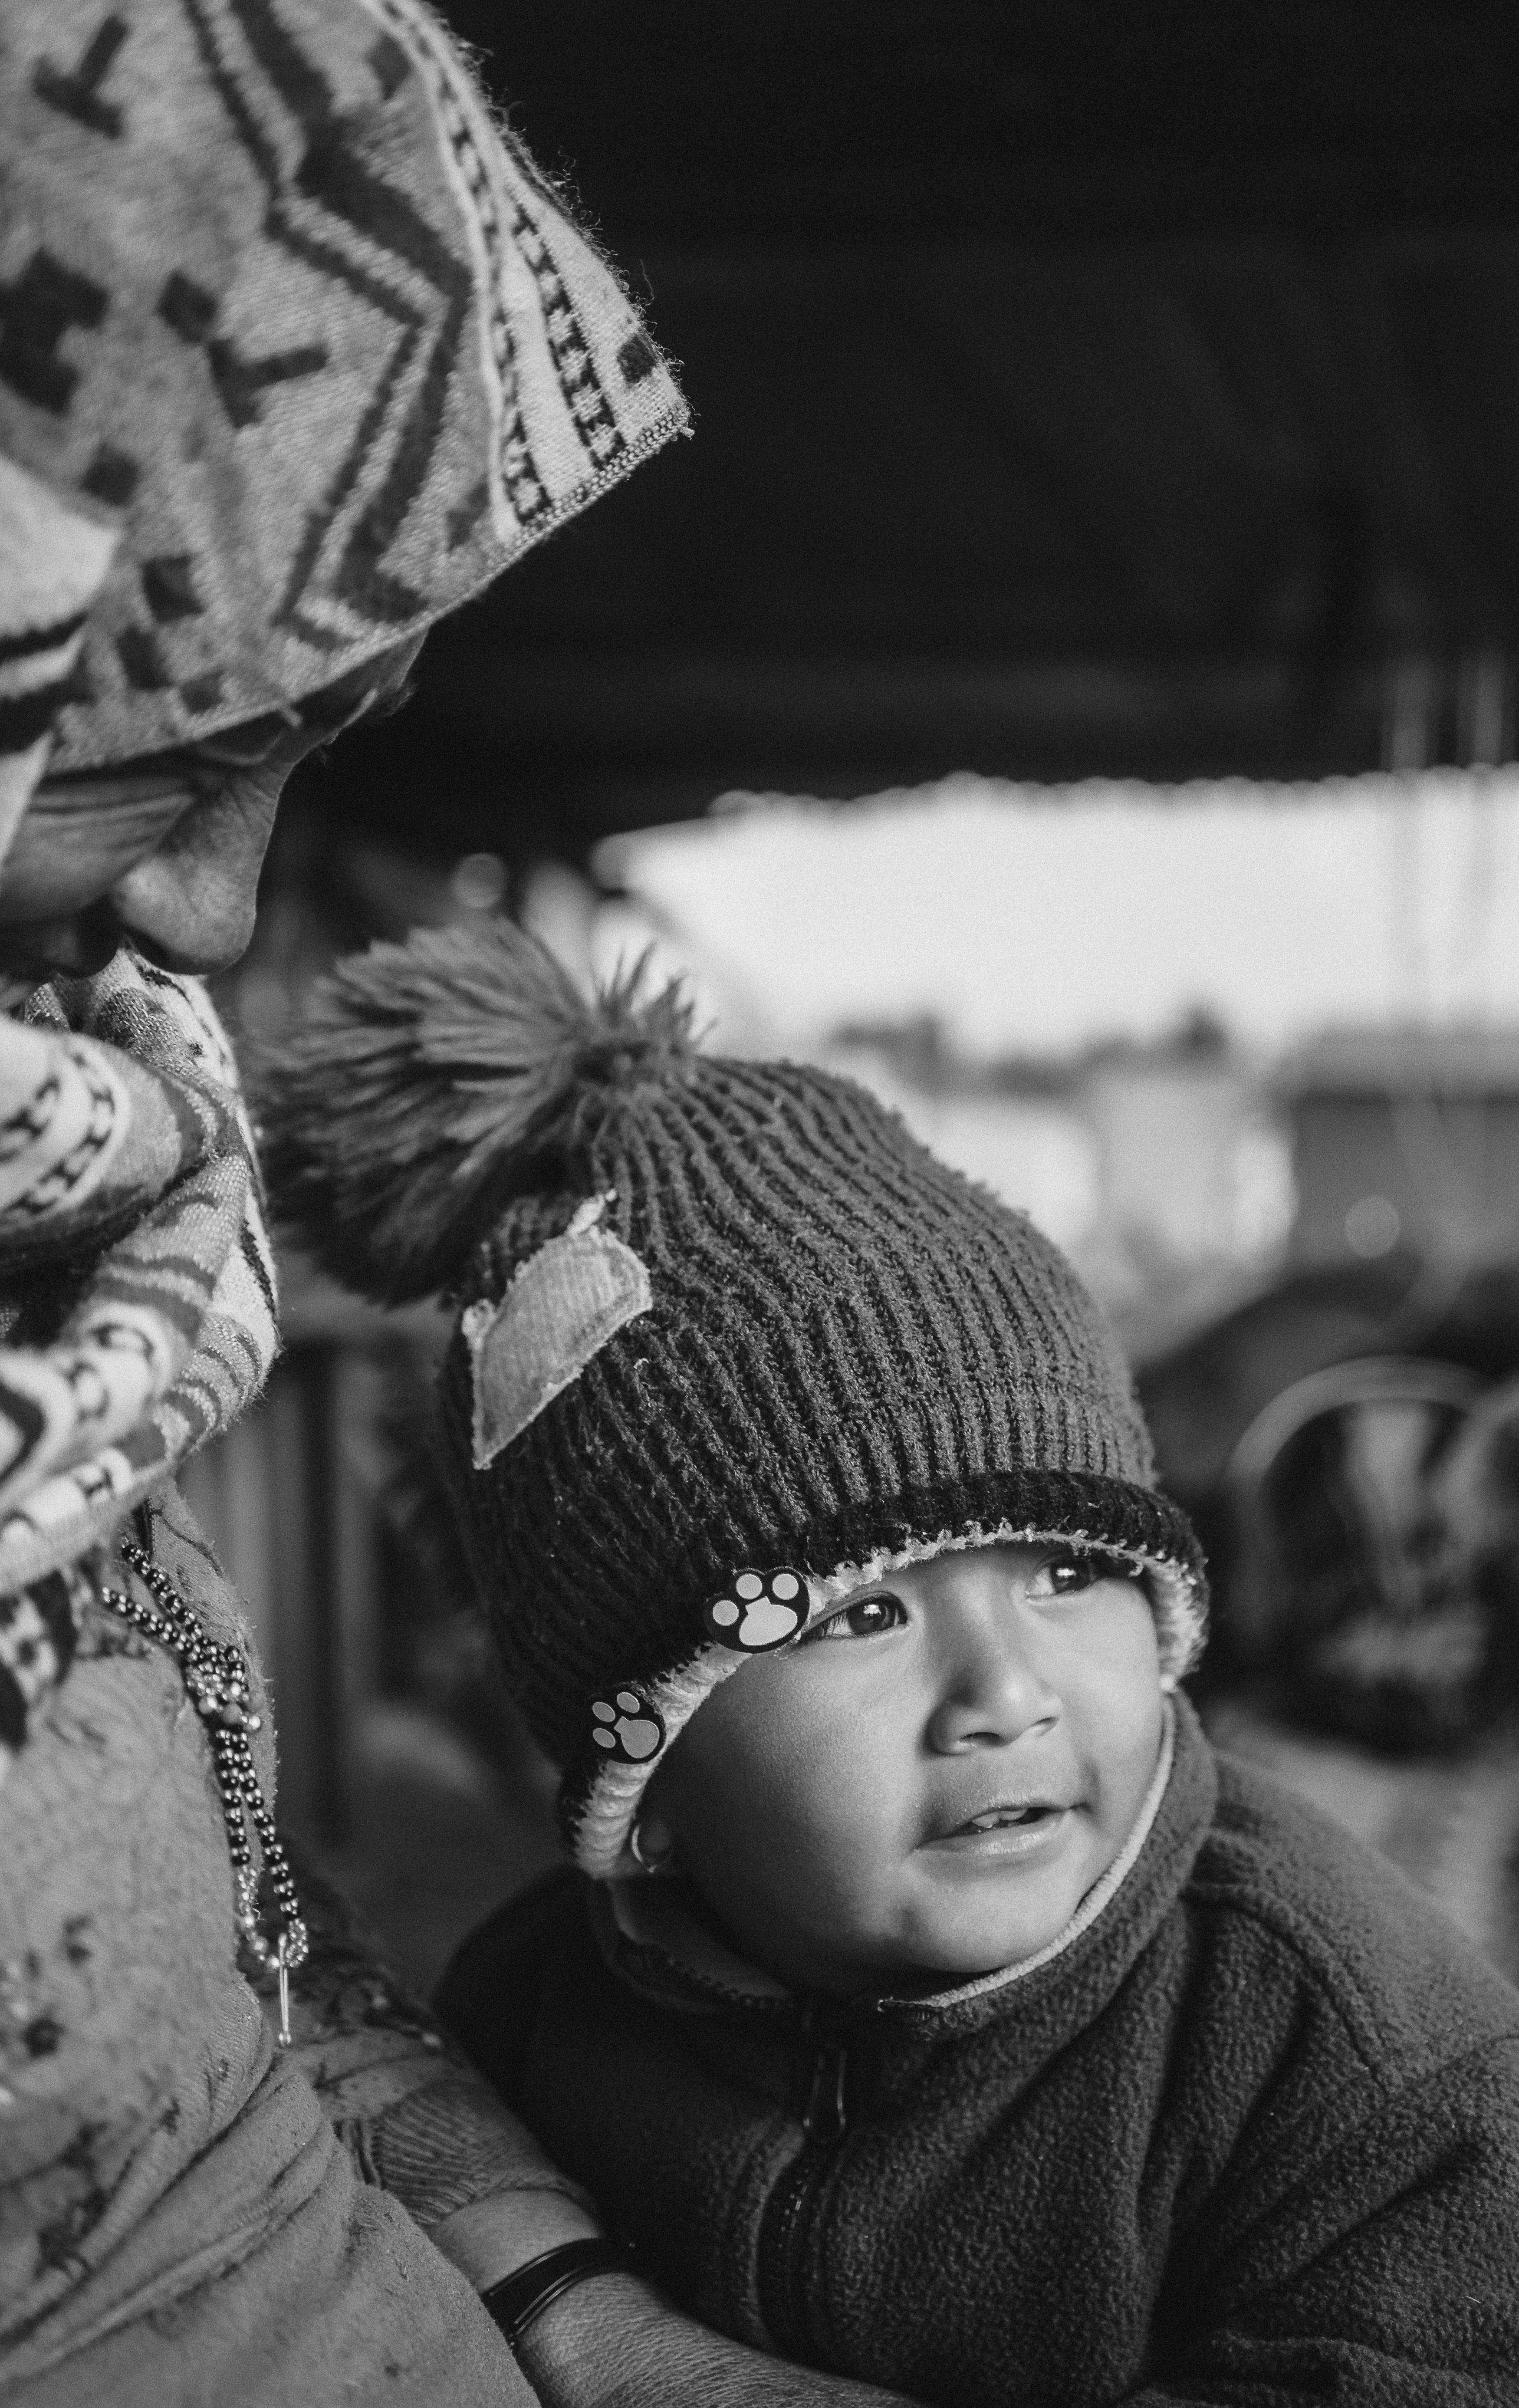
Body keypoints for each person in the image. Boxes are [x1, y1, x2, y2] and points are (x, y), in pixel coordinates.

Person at [264, 916, 1519, 2408]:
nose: (1007, 1694)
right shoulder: (537, 2002)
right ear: (645, 1775)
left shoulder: (1355, 2056)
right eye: (859, 1614)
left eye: (1066, 1573)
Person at [0, 2, 725, 2399]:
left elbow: (231, 1964)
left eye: (307, 759)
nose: (213, 920)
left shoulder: (83, 1200)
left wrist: (574, 2305)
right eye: (158, 762)